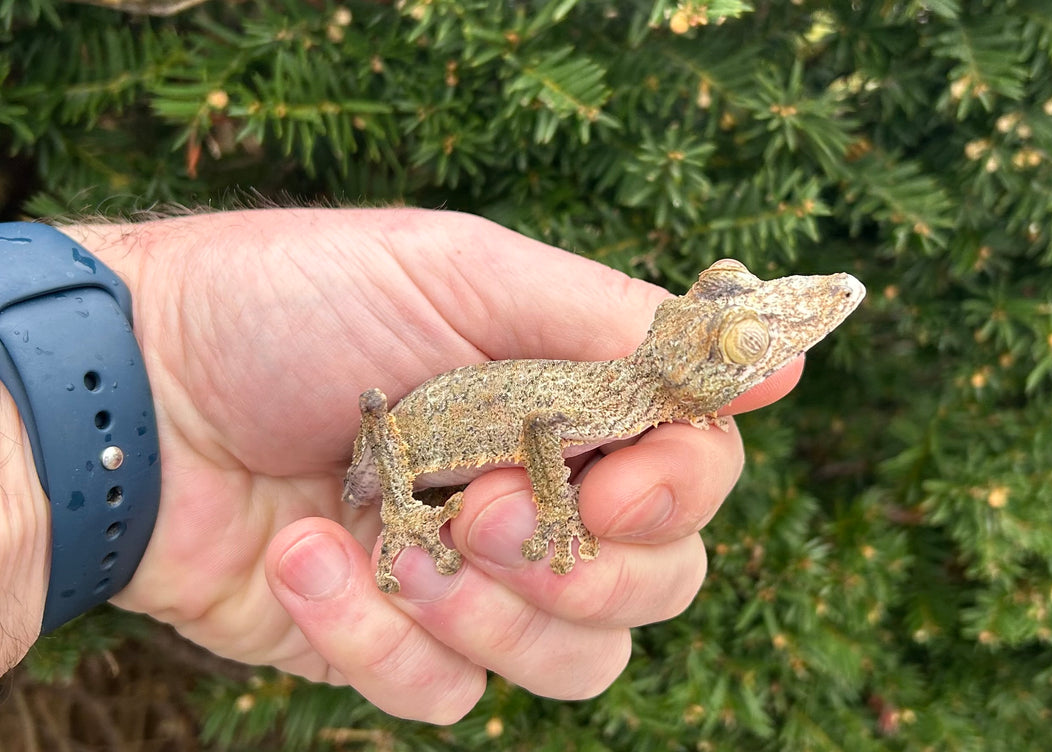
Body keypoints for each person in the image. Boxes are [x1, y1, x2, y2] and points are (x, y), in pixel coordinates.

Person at [0, 207, 806, 723]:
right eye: (738, 334)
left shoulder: (637, 398)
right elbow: (542, 426)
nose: (751, 358)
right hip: (400, 453)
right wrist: (554, 512)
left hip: (301, 474)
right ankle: (410, 510)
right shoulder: (613, 393)